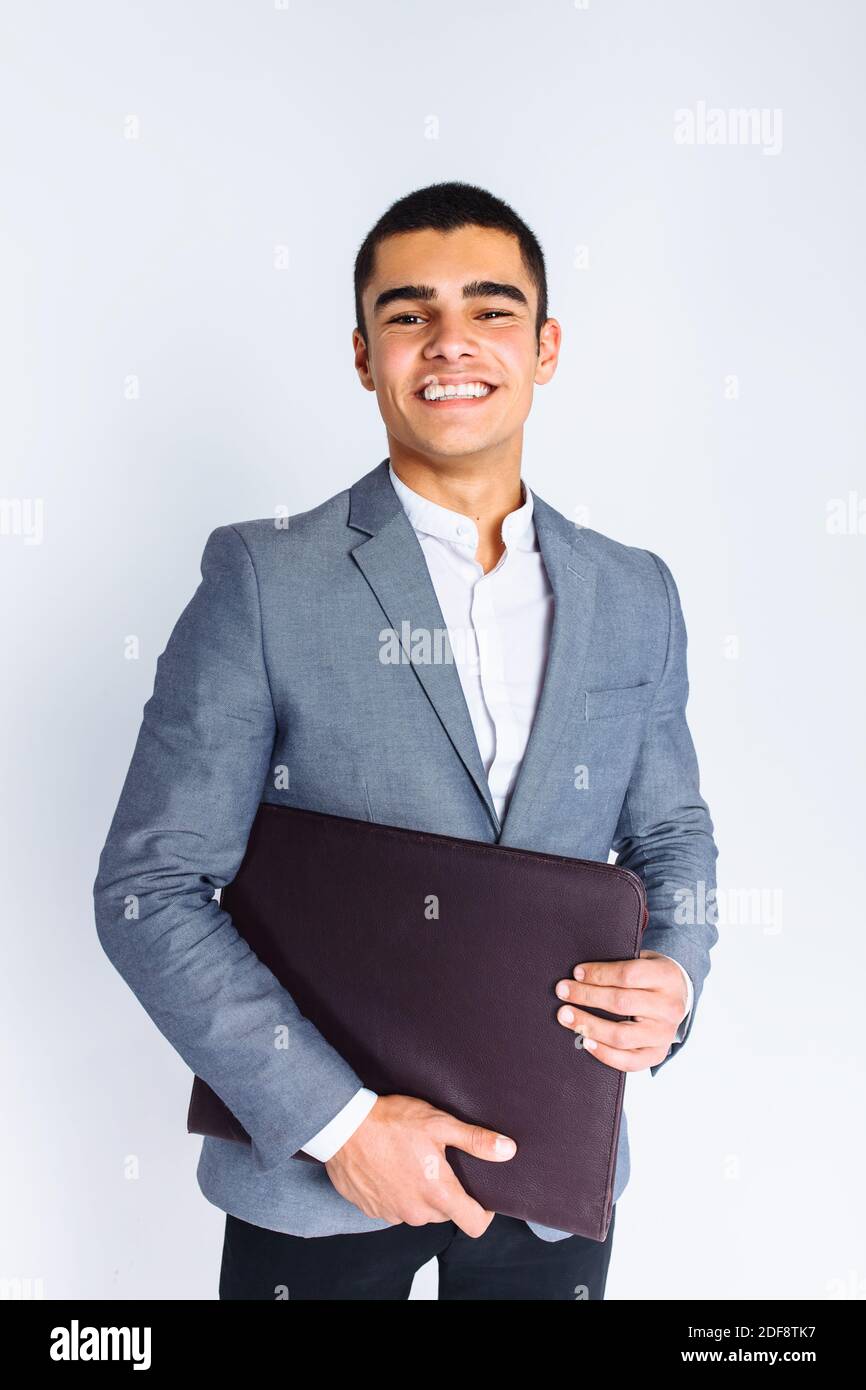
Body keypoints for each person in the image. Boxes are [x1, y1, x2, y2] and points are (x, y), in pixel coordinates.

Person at [93, 180, 719, 1300]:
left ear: (544, 343)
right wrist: (337, 1126)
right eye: (407, 313)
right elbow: (151, 883)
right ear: (361, 350)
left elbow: (670, 834)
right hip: (315, 1186)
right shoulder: (261, 577)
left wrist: (674, 971)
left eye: (488, 308)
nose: (449, 343)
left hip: (553, 1176)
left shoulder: (635, 592)